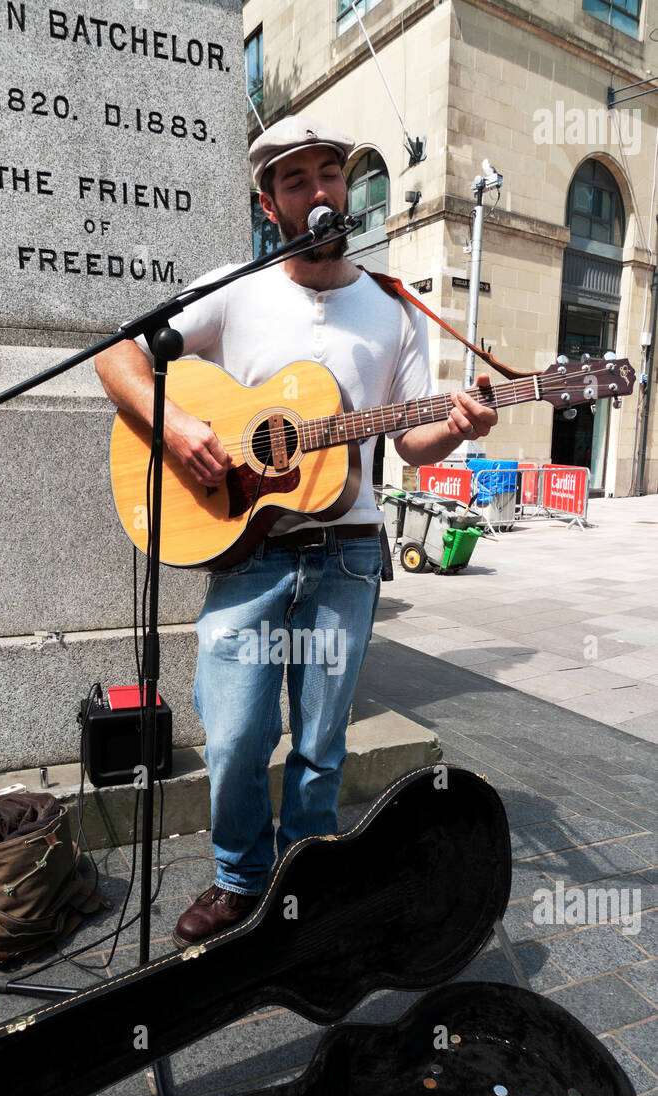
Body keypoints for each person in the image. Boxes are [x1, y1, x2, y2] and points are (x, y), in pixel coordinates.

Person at [95, 117, 497, 947]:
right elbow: (115, 359)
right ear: (268, 202)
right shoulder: (234, 288)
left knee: (320, 742)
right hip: (247, 550)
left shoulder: (395, 308)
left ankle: (304, 882)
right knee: (240, 734)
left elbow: (414, 440)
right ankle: (240, 879)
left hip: (347, 552)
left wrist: (458, 425)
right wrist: (174, 429)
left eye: (329, 174)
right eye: (295, 181)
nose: (318, 191)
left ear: (346, 188)